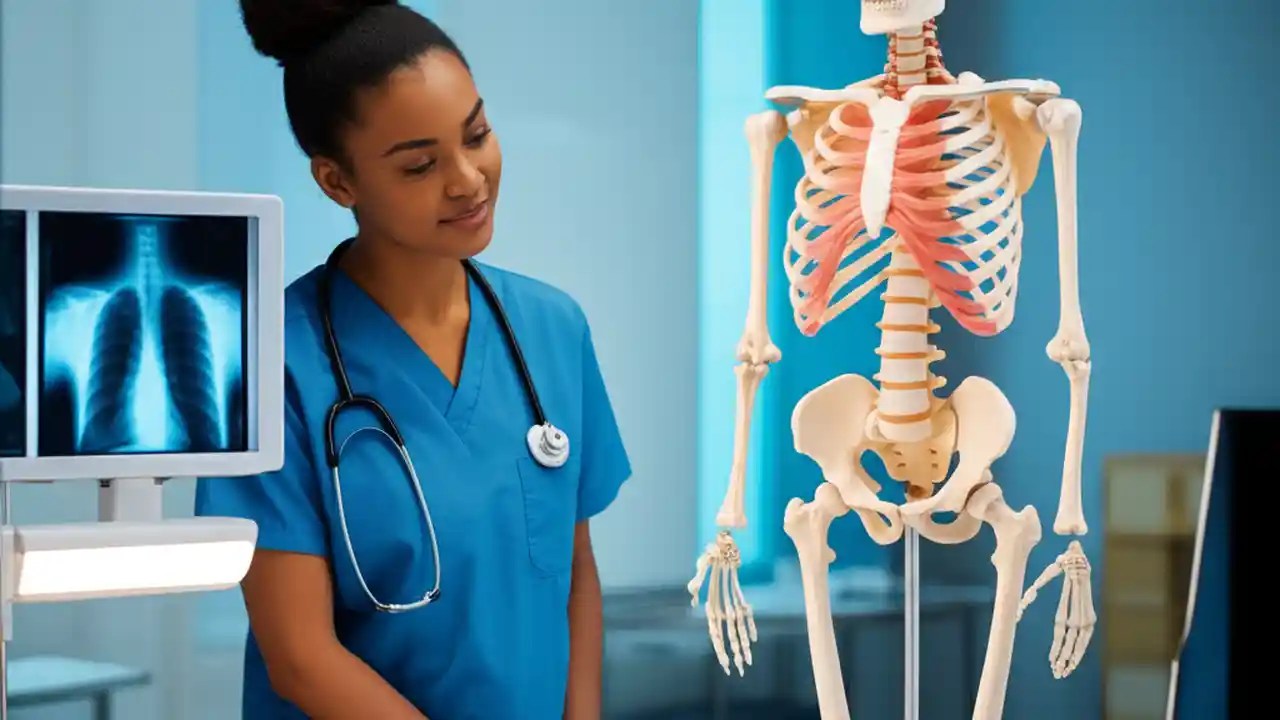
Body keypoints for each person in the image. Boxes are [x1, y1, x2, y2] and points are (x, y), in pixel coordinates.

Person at [195, 2, 632, 718]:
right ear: (337, 182)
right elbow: (301, 659)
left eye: (477, 135)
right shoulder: (272, 364)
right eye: (421, 165)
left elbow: (574, 573)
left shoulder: (552, 328)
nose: (468, 179)